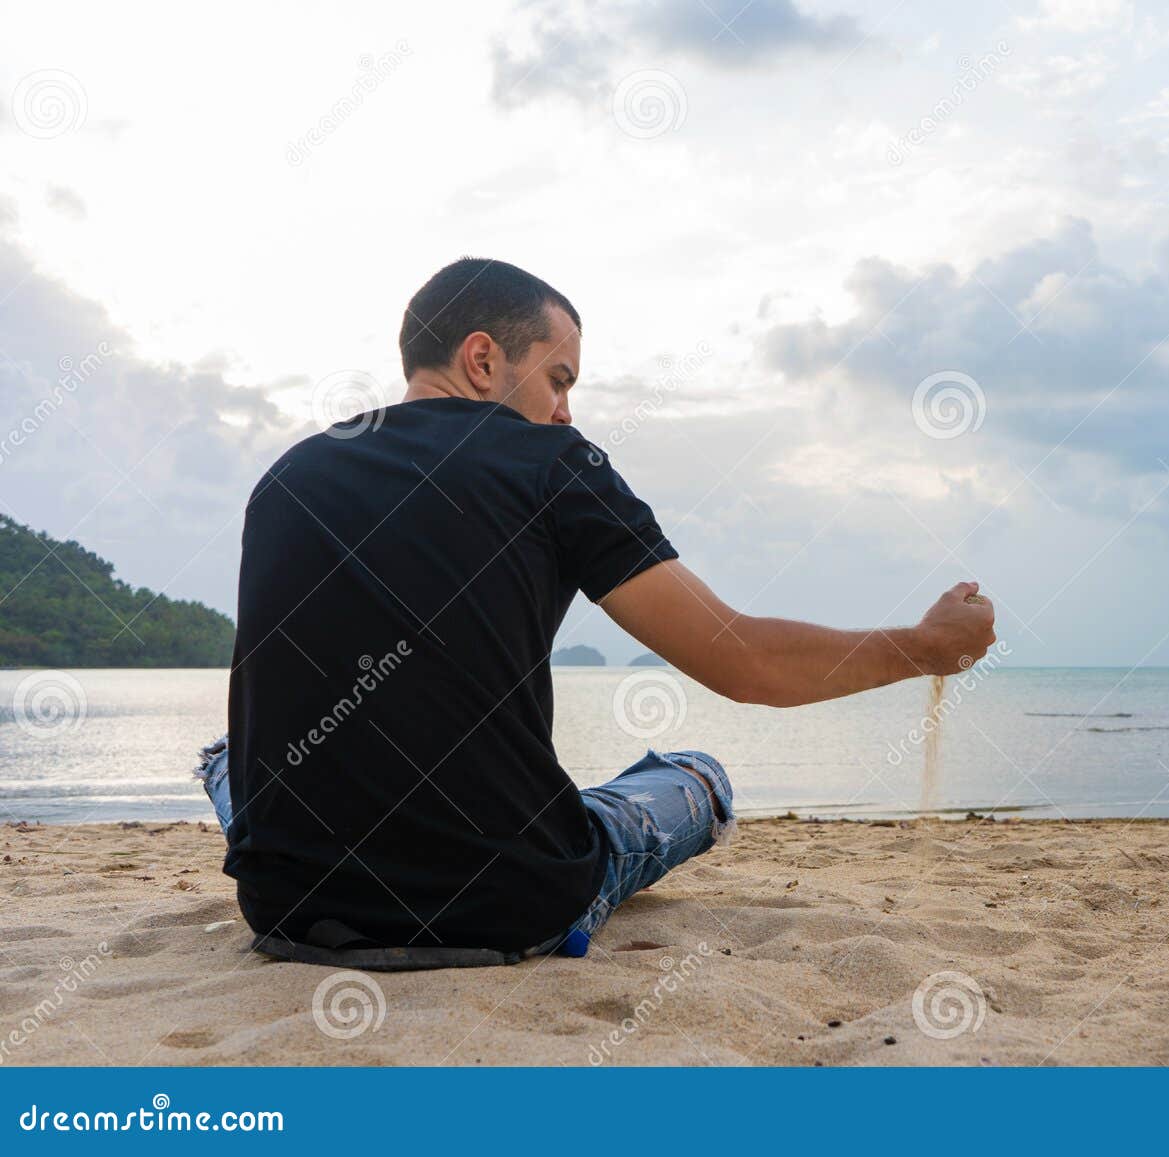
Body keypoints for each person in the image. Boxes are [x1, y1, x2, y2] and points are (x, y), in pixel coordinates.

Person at [197, 257, 995, 965]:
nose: (566, 411)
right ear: (483, 358)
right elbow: (743, 660)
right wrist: (926, 645)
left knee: (233, 756)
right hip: (503, 905)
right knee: (696, 776)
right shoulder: (554, 467)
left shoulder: (287, 477)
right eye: (560, 379)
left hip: (289, 908)